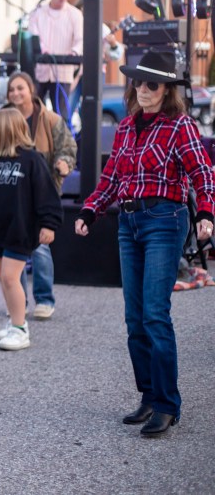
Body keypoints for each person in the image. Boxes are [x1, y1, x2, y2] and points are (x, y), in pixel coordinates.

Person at [75, 50, 214, 437]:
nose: (143, 88)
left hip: (164, 221)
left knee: (155, 314)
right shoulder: (124, 128)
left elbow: (202, 173)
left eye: (152, 83)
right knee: (134, 320)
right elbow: (111, 179)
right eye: (138, 81)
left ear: (167, 89)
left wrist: (206, 213)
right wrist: (90, 211)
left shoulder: (179, 126)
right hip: (129, 222)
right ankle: (150, 396)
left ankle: (168, 404)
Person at [0, 109, 63, 351]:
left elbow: (46, 195)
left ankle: (19, 328)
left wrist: (49, 223)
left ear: (6, 130)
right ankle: (14, 322)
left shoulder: (32, 159)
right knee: (3, 278)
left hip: (21, 231)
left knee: (10, 277)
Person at [3, 72, 77, 320]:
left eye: (20, 88)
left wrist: (64, 164)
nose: (15, 93)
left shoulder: (50, 119)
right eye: (11, 89)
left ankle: (45, 300)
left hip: (42, 191)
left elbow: (68, 148)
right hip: (12, 191)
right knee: (13, 246)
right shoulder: (4, 118)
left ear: (31, 90)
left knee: (40, 247)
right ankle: (18, 300)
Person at [29, 0, 83, 123]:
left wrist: (73, 53)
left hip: (63, 72)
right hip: (40, 70)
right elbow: (34, 36)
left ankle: (61, 145)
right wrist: (43, 50)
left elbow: (80, 39)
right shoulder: (37, 13)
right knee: (34, 111)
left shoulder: (75, 14)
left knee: (61, 115)